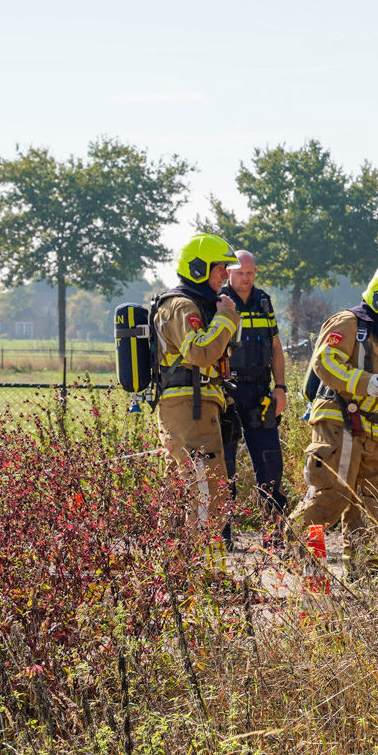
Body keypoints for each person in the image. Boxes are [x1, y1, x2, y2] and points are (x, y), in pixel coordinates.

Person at [288, 266, 378, 575]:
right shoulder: (349, 323)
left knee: (365, 500)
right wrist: (365, 382)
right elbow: (325, 363)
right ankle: (290, 544)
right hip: (341, 420)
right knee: (335, 493)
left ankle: (365, 566)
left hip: (373, 428)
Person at [152, 233, 242, 555]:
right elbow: (200, 352)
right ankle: (200, 573)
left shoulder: (199, 304)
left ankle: (175, 572)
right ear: (199, 268)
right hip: (188, 410)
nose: (226, 275)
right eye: (220, 268)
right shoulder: (181, 306)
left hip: (196, 408)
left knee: (182, 489)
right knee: (208, 490)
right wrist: (227, 316)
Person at [221, 249, 287, 523]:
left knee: (271, 465)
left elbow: (275, 347)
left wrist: (281, 387)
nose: (245, 278)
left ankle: (275, 539)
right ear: (228, 273)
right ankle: (222, 539)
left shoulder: (263, 301)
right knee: (224, 470)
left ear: (255, 272)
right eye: (240, 273)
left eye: (250, 273)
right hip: (227, 393)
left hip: (261, 393)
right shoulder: (218, 301)